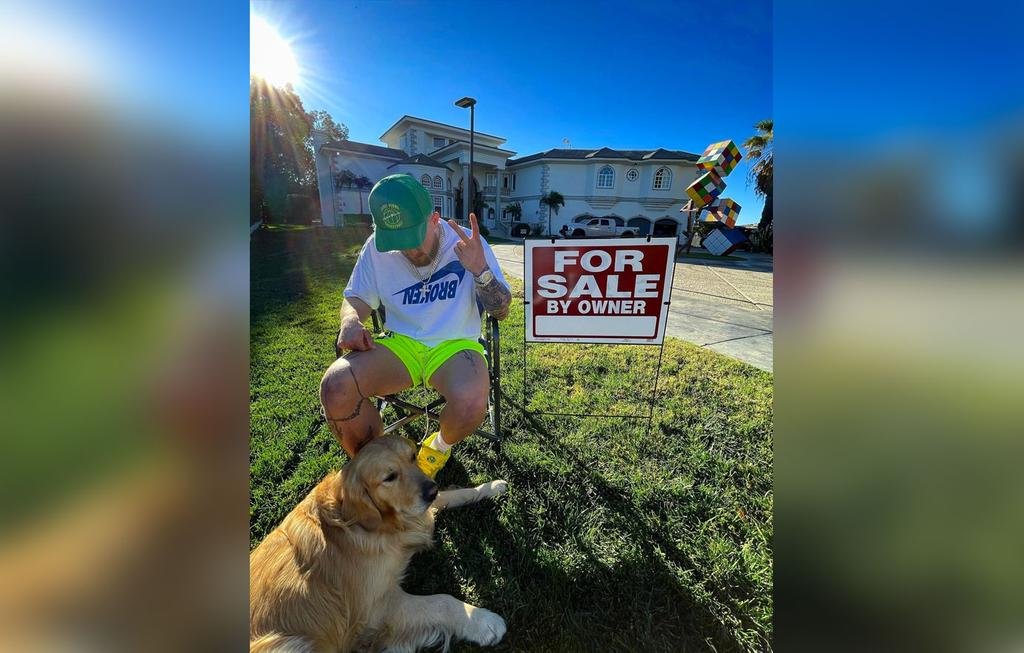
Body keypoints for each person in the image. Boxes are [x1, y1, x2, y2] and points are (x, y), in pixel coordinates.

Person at [320, 174, 512, 479]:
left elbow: (501, 312)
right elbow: (355, 297)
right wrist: (350, 320)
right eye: (397, 241)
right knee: (336, 386)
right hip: (401, 344)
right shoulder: (375, 248)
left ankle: (434, 451)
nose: (407, 250)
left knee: (472, 400)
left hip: (456, 343)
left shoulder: (467, 243)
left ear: (434, 218)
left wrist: (481, 270)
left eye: (412, 236)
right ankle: (378, 467)